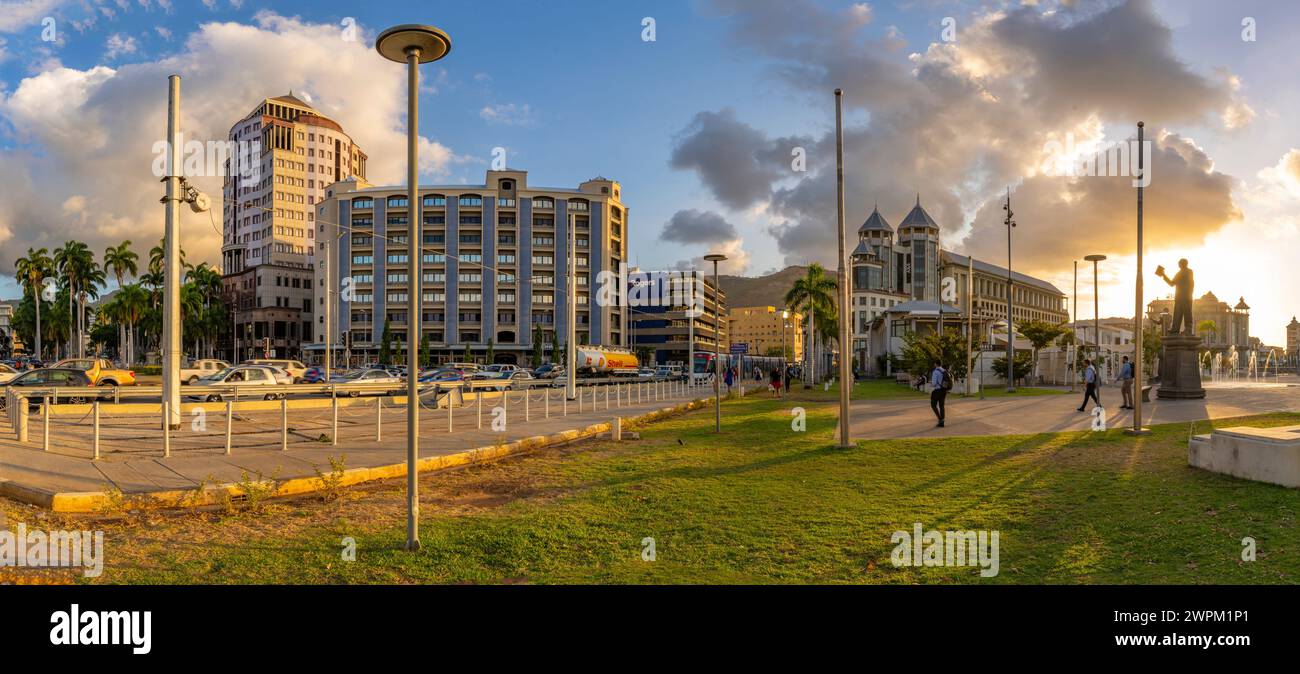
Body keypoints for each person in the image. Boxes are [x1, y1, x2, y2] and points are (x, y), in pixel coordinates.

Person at [929, 359, 950, 428]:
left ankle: (940, 419)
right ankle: (942, 422)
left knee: (933, 404)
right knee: (941, 405)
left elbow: (934, 383)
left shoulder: (935, 372)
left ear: (935, 364)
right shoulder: (944, 370)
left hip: (938, 390)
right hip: (944, 390)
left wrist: (931, 384)